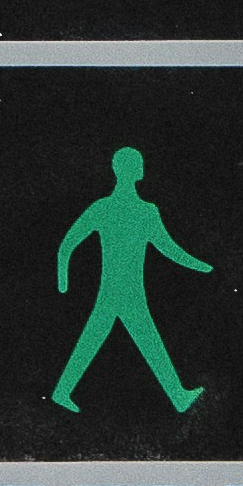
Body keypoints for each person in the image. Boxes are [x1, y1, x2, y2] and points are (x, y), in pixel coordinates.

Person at [49, 145, 211, 416]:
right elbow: (170, 249)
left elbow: (67, 244)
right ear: (132, 170)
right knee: (142, 340)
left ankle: (62, 391)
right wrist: (199, 266)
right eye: (137, 163)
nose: (141, 167)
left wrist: (64, 280)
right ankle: (178, 397)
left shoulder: (119, 209)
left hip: (119, 292)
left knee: (102, 338)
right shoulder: (139, 211)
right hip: (126, 293)